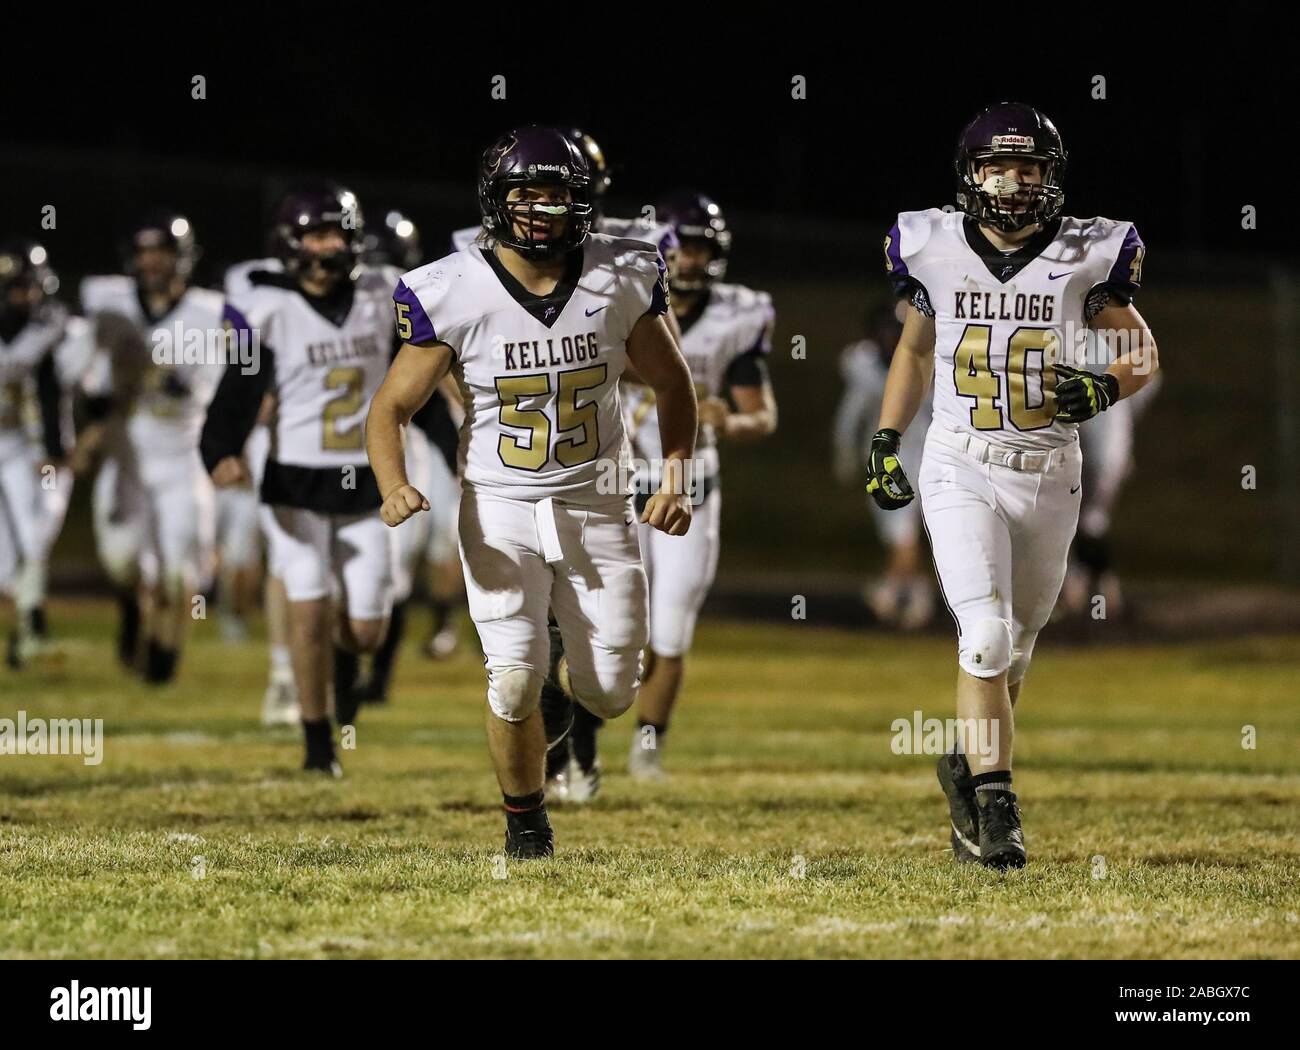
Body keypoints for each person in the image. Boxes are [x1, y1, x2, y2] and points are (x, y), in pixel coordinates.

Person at [368, 125, 697, 857]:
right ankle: (526, 824)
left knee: (611, 690)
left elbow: (673, 382)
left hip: (599, 498)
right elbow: (390, 407)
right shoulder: (453, 288)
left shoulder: (621, 274)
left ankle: (563, 689)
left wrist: (676, 471)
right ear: (497, 200)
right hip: (500, 504)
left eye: (559, 196)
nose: (544, 211)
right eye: (529, 195)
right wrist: (393, 484)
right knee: (512, 678)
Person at [868, 102, 1160, 869]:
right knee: (985, 634)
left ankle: (969, 769)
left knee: (1017, 647)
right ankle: (998, 812)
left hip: (1051, 472)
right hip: (960, 460)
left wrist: (1104, 386)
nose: (1015, 182)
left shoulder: (1089, 251)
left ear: (1050, 176)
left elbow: (1141, 350)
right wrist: (887, 436)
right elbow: (915, 350)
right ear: (971, 174)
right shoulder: (932, 245)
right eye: (1000, 166)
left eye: (1030, 167)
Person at [202, 185, 395, 774]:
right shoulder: (268, 309)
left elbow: (418, 377)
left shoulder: (383, 295)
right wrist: (220, 450)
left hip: (366, 481)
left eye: (336, 233)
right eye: (315, 234)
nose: (327, 246)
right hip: (294, 481)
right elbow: (238, 392)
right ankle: (317, 745)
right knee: (307, 613)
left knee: (365, 630)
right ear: (290, 243)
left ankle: (344, 670)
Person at [619, 190, 778, 784]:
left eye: (703, 249)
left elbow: (761, 415)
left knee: (672, 625)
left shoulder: (735, 318)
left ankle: (648, 744)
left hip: (690, 485)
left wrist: (729, 420)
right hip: (615, 484)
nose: (691, 260)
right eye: (683, 247)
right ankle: (576, 746)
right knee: (609, 627)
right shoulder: (618, 301)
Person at [80, 213, 224, 683]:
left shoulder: (212, 313)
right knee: (124, 564)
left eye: (161, 251)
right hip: (127, 459)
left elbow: (223, 390)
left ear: (182, 257)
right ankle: (129, 610)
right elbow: (89, 384)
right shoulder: (108, 304)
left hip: (183, 458)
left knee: (180, 572)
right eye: (144, 252)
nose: (152, 262)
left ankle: (163, 659)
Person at [833, 301, 935, 629]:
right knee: (901, 534)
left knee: (901, 532)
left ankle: (892, 593)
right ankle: (917, 593)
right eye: (887, 331)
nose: (892, 339)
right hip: (883, 457)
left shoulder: (934, 363)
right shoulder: (862, 364)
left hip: (923, 456)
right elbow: (850, 416)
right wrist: (846, 454)